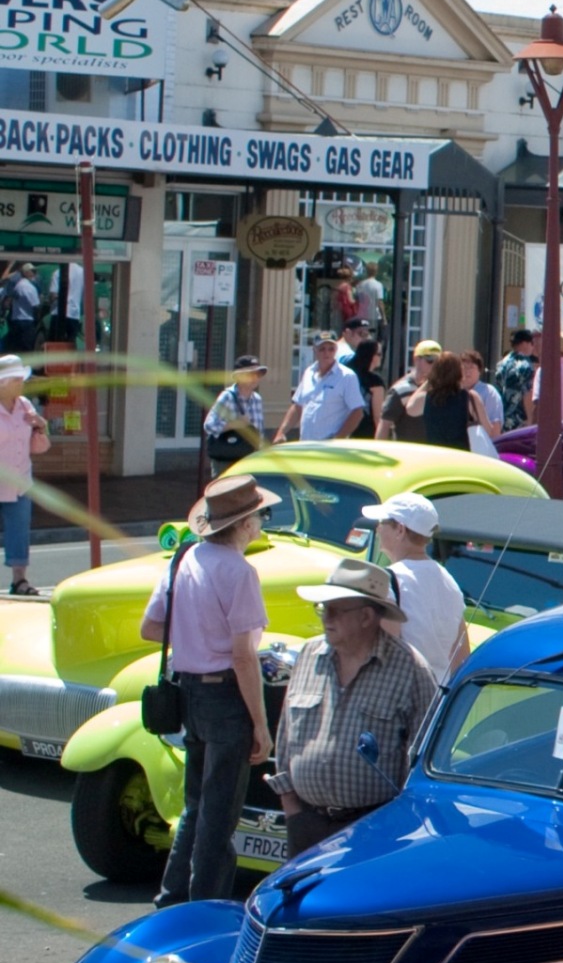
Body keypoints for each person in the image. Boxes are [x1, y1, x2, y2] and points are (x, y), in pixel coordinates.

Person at [142, 476, 277, 905]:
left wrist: (194, 633)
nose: (261, 522)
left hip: (190, 694)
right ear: (244, 525)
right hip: (224, 696)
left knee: (196, 806)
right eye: (258, 515)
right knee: (219, 816)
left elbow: (150, 627)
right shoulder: (239, 571)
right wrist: (261, 723)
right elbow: (242, 657)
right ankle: (204, 909)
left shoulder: (186, 558)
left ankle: (171, 898)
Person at [268, 559, 440, 858]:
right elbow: (286, 736)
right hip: (306, 822)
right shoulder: (310, 655)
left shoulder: (410, 669)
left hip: (372, 827)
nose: (326, 617)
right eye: (323, 608)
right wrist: (292, 808)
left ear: (366, 617)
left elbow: (423, 757)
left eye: (336, 609)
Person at [362, 491, 469, 682]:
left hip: (403, 699)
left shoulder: (389, 581)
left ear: (400, 530)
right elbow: (461, 658)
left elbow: (384, 656)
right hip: (438, 700)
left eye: (382, 522)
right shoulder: (451, 584)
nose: (377, 529)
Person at [0, 355, 47, 595]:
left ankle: (19, 581)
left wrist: (40, 426)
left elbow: (39, 448)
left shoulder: (25, 405)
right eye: (16, 379)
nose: (21, 383)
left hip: (20, 481)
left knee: (19, 530)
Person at [276, 336, 369, 443]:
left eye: (331, 349)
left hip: (330, 447)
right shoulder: (309, 372)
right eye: (322, 349)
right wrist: (281, 432)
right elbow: (297, 406)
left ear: (336, 350)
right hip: (305, 443)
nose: (327, 353)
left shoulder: (347, 376)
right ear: (314, 350)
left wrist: (338, 438)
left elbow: (357, 412)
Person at [402, 352, 489, 452]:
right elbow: (488, 430)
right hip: (463, 458)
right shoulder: (470, 398)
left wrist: (429, 381)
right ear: (459, 373)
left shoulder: (426, 398)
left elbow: (409, 408)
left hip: (437, 457)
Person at [203, 355, 268, 478]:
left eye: (258, 374)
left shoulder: (257, 400)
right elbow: (209, 425)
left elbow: (260, 433)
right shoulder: (227, 397)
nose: (255, 378)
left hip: (249, 460)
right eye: (250, 373)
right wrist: (236, 424)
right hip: (226, 461)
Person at [375, 343, 439, 443]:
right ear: (416, 360)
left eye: (439, 362)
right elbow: (385, 425)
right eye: (430, 360)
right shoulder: (401, 390)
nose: (435, 365)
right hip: (406, 452)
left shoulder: (441, 389)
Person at [493, 329, 538, 429]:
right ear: (524, 343)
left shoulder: (502, 363)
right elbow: (527, 394)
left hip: (501, 417)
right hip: (519, 420)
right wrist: (530, 419)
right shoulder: (526, 367)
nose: (533, 346)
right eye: (531, 343)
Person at [347, 338, 385, 431]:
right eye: (379, 354)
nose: (381, 357)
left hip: (345, 428)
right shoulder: (375, 382)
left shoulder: (347, 374)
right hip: (366, 433)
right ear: (370, 356)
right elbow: (377, 416)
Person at [4, 261, 41, 353]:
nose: (34, 273)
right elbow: (35, 305)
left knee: (16, 346)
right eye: (32, 271)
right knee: (27, 347)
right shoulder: (28, 287)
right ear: (26, 273)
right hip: (27, 321)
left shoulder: (18, 285)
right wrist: (38, 318)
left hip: (16, 319)